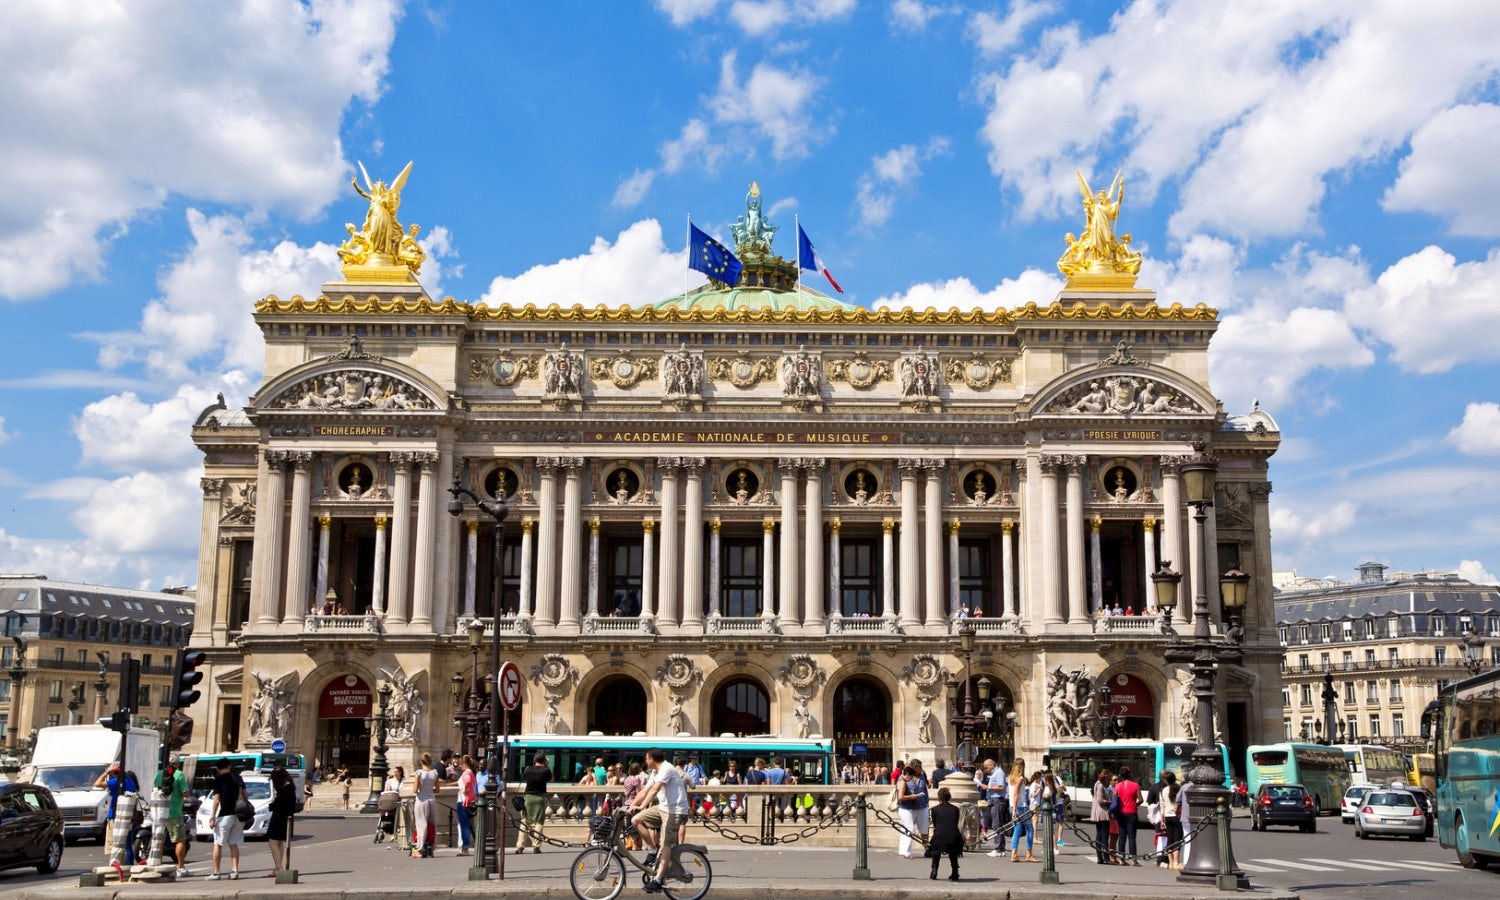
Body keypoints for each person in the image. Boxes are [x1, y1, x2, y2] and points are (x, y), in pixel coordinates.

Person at [628, 748, 689, 895]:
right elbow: (644, 790)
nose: (645, 761)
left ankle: (658, 880)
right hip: (662, 807)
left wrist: (642, 806)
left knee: (666, 844)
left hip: (675, 810)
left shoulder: (667, 768)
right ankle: (653, 849)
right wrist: (630, 806)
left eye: (646, 758)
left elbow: (655, 790)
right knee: (636, 819)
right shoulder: (655, 772)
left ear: (651, 759)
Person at [207, 758, 245, 880]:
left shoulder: (218, 780)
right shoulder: (238, 778)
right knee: (233, 843)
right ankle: (234, 871)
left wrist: (213, 816)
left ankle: (217, 872)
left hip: (225, 815)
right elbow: (245, 795)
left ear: (218, 769)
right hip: (239, 815)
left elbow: (217, 800)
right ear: (229, 766)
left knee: (218, 843)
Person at [155, 757, 191, 877]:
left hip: (160, 811)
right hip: (175, 812)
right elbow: (185, 794)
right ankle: (180, 868)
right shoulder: (179, 774)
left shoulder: (159, 774)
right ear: (177, 764)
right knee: (180, 840)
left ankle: (157, 864)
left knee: (160, 839)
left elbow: (155, 787)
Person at [517, 752, 552, 853]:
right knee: (539, 822)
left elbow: (523, 777)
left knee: (524, 821)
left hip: (528, 797)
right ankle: (536, 846)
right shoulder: (546, 770)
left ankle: (520, 846)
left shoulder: (528, 769)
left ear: (534, 760)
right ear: (544, 761)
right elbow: (551, 778)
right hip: (540, 798)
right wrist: (546, 766)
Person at [928, 786, 964, 881]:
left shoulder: (935, 809)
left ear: (939, 797)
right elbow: (955, 823)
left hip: (939, 836)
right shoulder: (955, 809)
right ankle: (955, 872)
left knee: (936, 852)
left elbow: (936, 824)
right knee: (953, 853)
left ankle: (934, 871)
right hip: (953, 836)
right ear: (949, 797)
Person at [267, 767, 296, 878]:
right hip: (285, 818)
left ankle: (279, 867)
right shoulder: (289, 787)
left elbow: (278, 805)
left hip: (279, 818)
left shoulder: (285, 789)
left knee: (273, 842)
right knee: (278, 843)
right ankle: (277, 866)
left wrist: (272, 804)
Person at [895, 764, 929, 859]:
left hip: (911, 807)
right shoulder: (902, 781)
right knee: (910, 829)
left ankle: (903, 850)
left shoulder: (905, 779)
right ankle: (906, 852)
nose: (911, 778)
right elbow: (901, 797)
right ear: (908, 774)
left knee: (905, 829)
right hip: (906, 808)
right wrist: (913, 796)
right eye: (911, 776)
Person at [410, 752, 438, 858]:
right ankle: (432, 847)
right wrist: (430, 790)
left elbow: (414, 789)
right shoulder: (434, 773)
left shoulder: (419, 773)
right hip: (432, 800)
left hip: (421, 801)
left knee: (421, 825)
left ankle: (420, 849)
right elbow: (438, 789)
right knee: (432, 824)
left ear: (421, 761)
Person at [1113, 765, 1142, 866]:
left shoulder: (1117, 786)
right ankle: (1134, 860)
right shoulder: (1135, 785)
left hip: (1121, 813)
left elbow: (1114, 800)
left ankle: (1121, 859)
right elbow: (1141, 799)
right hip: (1132, 813)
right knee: (1132, 837)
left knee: (1122, 836)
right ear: (1129, 774)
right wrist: (1135, 804)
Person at [1010, 763, 1037, 862]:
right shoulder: (1020, 778)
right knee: (1030, 830)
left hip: (1013, 806)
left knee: (1017, 830)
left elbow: (1011, 793)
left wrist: (1013, 808)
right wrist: (1015, 809)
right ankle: (1029, 853)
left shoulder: (1011, 778)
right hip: (1021, 807)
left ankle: (1014, 853)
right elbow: (1016, 794)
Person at [1160, 771, 1184, 871]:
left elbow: (1162, 806)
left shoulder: (1163, 790)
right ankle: (1176, 862)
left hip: (1167, 817)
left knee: (1170, 838)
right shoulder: (1178, 788)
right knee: (1177, 839)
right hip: (1177, 816)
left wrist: (1162, 820)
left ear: (1166, 780)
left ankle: (1170, 862)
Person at [1090, 768, 1114, 865]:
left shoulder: (1097, 784)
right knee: (1104, 836)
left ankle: (1100, 857)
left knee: (1099, 835)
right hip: (1102, 813)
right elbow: (1100, 800)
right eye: (1104, 773)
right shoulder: (1100, 786)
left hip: (1098, 812)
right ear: (1099, 775)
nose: (1106, 775)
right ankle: (1105, 858)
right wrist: (1110, 802)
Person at [621, 762, 645, 850]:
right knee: (635, 824)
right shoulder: (636, 779)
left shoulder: (626, 779)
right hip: (634, 804)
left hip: (627, 804)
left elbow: (625, 792)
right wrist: (642, 804)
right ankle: (635, 844)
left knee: (628, 824)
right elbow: (639, 793)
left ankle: (629, 844)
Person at [455, 755, 476, 856]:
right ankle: (464, 846)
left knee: (464, 825)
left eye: (460, 764)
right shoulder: (471, 772)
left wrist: (465, 790)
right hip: (468, 800)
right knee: (465, 824)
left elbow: (467, 782)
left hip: (463, 801)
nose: (460, 766)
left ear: (464, 764)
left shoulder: (467, 772)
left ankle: (465, 847)